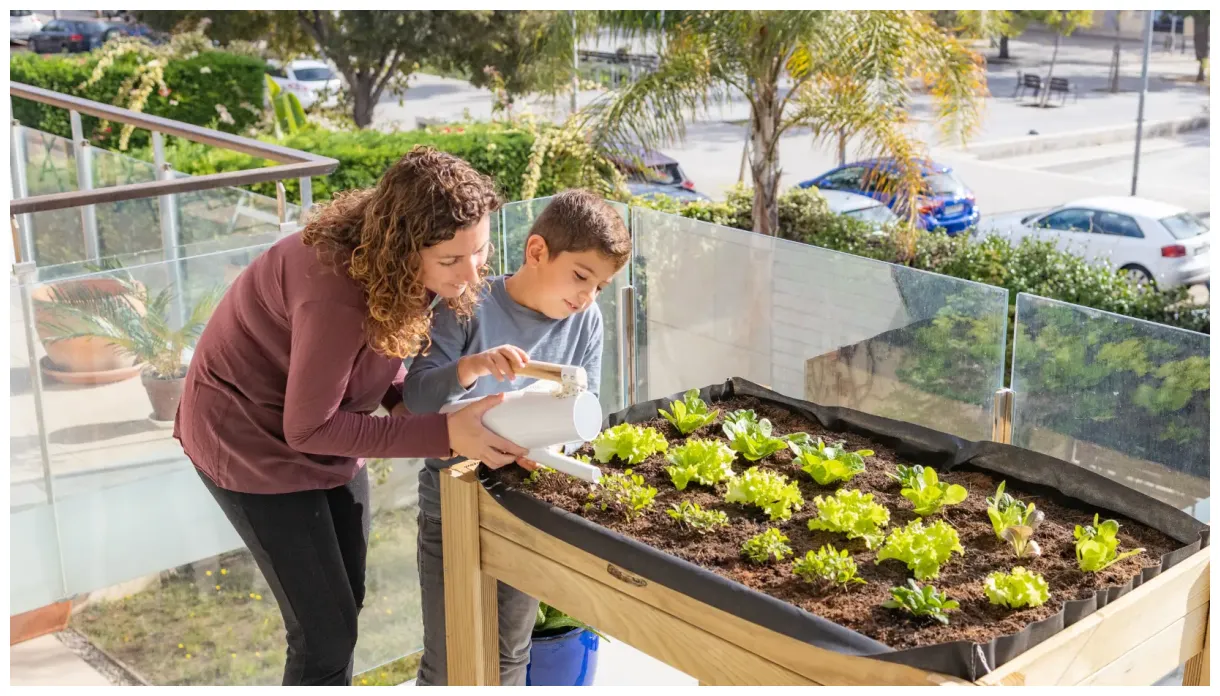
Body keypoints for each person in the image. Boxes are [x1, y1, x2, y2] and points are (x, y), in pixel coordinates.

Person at [173, 146, 529, 686]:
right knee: (325, 635)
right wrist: (442, 431)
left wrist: (408, 402)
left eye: (478, 251)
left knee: (344, 607)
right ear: (403, 247)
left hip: (321, 426)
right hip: (247, 440)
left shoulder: (392, 261)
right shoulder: (333, 294)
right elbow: (309, 428)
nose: (470, 272)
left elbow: (369, 359)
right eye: (451, 260)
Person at [403, 189, 632, 685]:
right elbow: (415, 400)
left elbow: (580, 415)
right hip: (452, 501)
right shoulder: (467, 306)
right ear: (536, 252)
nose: (587, 296)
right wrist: (472, 366)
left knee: (510, 655)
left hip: (525, 507)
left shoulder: (585, 320)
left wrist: (551, 451)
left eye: (601, 286)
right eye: (580, 277)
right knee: (448, 665)